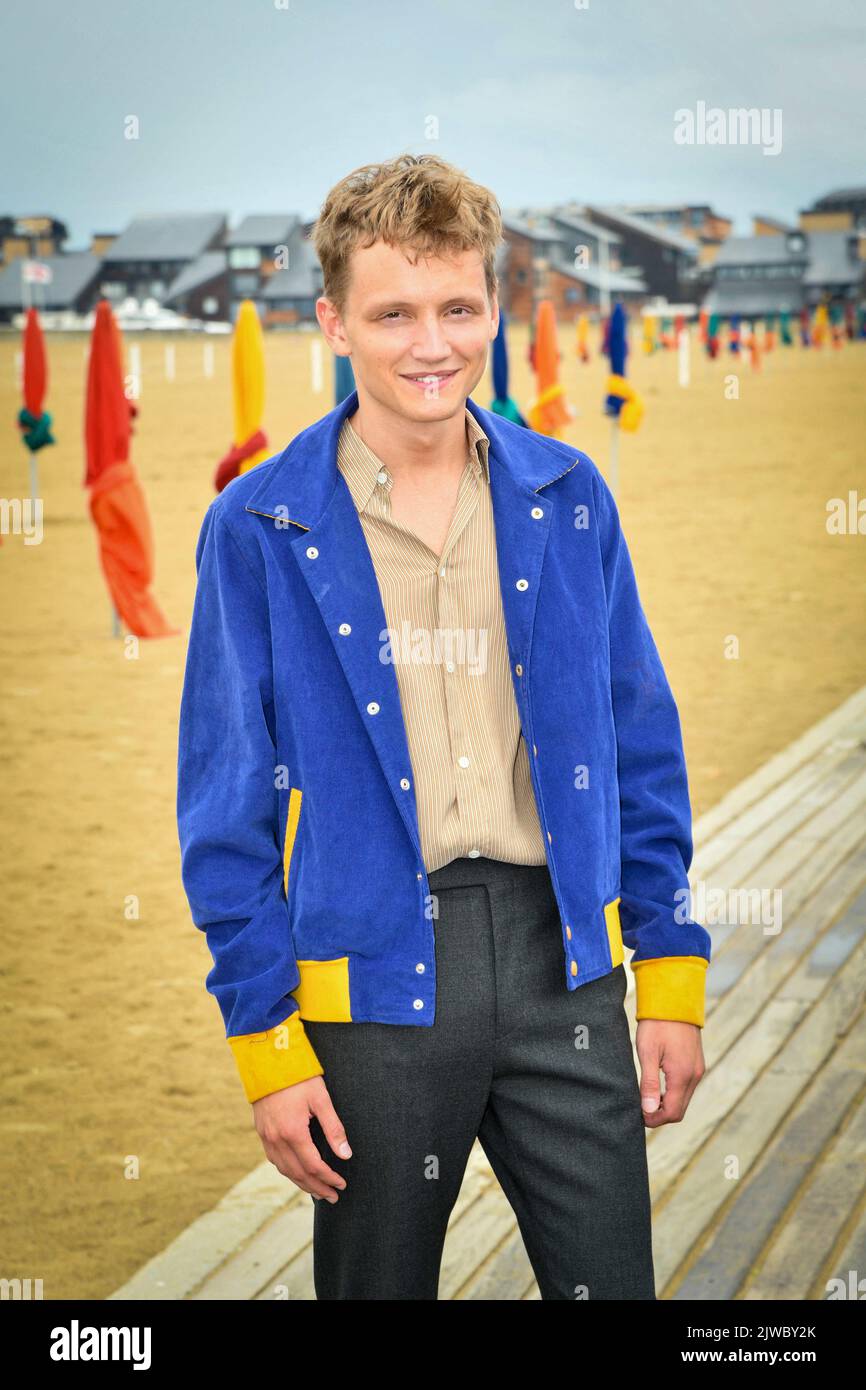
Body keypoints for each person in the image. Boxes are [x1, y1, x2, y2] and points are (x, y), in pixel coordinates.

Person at [176, 152, 711, 1300]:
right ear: (332, 322)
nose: (431, 344)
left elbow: (638, 741)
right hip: (367, 986)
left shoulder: (568, 496)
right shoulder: (256, 527)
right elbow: (225, 809)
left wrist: (665, 968)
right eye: (393, 313)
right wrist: (267, 1048)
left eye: (458, 307)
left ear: (491, 309)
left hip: (561, 963)